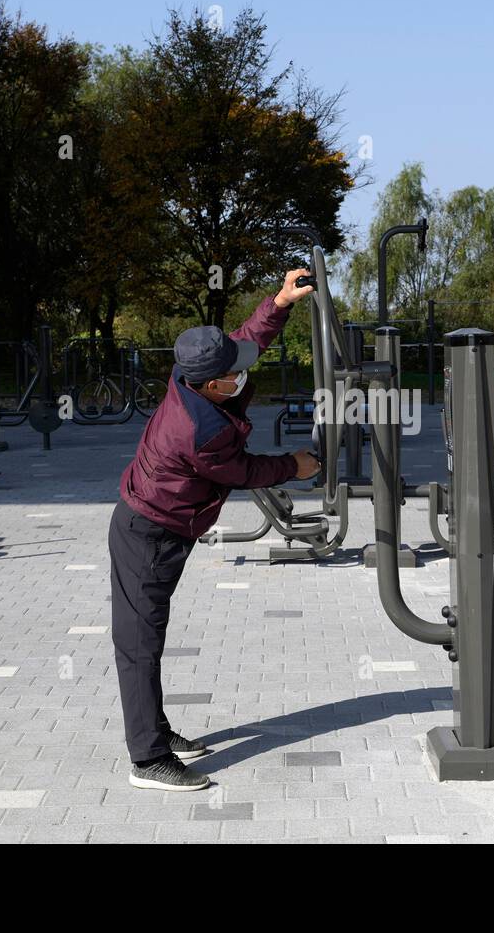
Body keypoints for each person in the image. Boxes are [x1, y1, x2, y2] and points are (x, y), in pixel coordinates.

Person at [109, 270, 320, 791]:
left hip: (160, 527)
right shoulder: (201, 431)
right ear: (210, 384)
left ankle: (156, 731)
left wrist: (280, 301)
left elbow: (246, 342)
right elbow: (245, 472)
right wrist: (295, 465)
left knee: (146, 641)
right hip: (149, 533)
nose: (242, 378)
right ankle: (148, 760)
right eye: (233, 376)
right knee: (139, 646)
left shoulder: (193, 378)